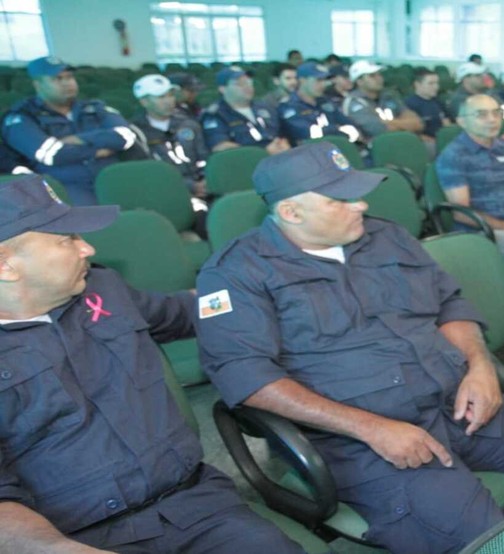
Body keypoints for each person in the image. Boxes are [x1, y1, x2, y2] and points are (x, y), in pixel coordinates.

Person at [194, 143, 504, 554]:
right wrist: (373, 429)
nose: (362, 205)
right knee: (491, 540)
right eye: (341, 200)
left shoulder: (384, 236)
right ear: (291, 212)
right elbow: (248, 380)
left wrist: (480, 366)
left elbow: (451, 305)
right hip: (362, 441)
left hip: (457, 403)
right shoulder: (236, 274)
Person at [0, 175, 305, 554]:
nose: (87, 248)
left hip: (196, 506)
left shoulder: (103, 288)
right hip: (81, 534)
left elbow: (194, 310)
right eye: (67, 240)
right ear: (5, 265)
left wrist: (260, 288)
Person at [2, 57, 141, 205]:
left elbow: (125, 136)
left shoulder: (95, 108)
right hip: (66, 188)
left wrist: (78, 139)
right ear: (38, 85)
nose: (66, 83)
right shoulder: (21, 117)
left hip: (114, 179)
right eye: (57, 78)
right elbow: (51, 154)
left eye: (69, 77)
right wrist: (98, 150)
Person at [436, 95, 504, 273]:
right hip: (482, 231)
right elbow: (461, 214)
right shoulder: (454, 156)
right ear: (462, 122)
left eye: (497, 113)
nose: (492, 120)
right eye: (481, 114)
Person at [130, 74, 209, 197]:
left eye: (171, 95)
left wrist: (205, 180)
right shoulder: (136, 132)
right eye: (161, 97)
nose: (169, 101)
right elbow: (148, 172)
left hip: (201, 188)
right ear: (144, 102)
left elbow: (204, 157)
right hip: (163, 191)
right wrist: (188, 186)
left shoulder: (189, 124)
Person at [200, 66, 289, 155]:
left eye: (249, 82)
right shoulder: (215, 115)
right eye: (240, 84)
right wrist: (263, 152)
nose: (247, 86)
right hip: (244, 164)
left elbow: (282, 134)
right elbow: (221, 147)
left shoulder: (265, 107)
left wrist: (284, 144)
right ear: (223, 89)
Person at [277, 62, 361, 147]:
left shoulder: (326, 102)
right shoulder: (289, 107)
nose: (323, 84)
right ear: (303, 81)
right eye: (318, 80)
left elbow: (351, 126)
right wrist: (339, 129)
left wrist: (336, 130)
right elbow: (310, 133)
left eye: (324, 80)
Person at [342, 60, 424, 141]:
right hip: (373, 149)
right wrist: (405, 124)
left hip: (401, 142)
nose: (379, 78)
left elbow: (417, 123)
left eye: (379, 74)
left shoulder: (389, 95)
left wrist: (388, 122)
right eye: (372, 76)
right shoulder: (354, 102)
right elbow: (380, 130)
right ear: (360, 81)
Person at [404, 68, 451, 143]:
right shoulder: (408, 105)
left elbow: (447, 122)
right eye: (431, 83)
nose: (436, 87)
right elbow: (410, 132)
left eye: (437, 83)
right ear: (417, 84)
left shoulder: (439, 102)